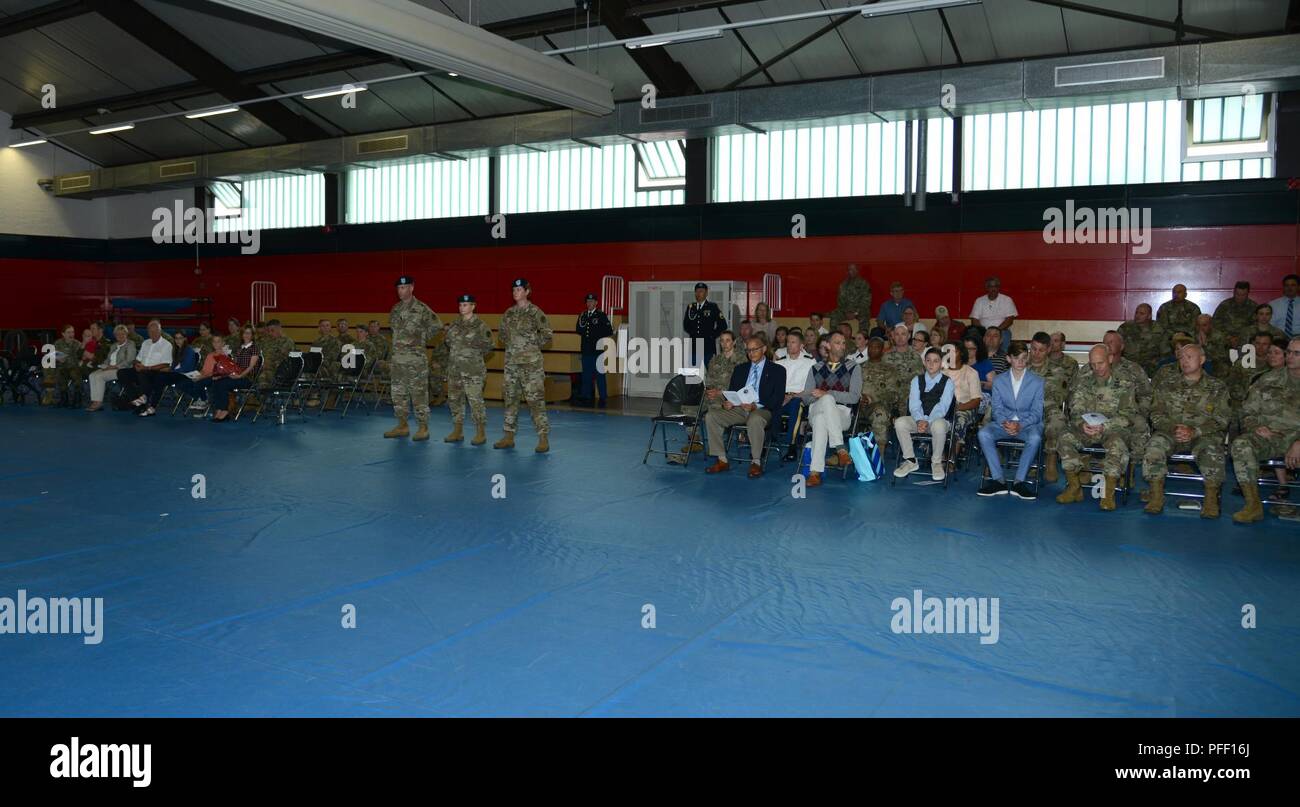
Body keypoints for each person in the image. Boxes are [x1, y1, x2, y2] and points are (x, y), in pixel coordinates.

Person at [1142, 343, 1230, 518]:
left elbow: (1222, 419)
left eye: (1189, 357)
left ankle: (1211, 499)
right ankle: (1156, 496)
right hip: (1170, 432)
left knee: (1212, 451)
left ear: (1202, 360)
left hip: (1203, 434)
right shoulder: (1167, 385)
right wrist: (1173, 428)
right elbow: (1156, 414)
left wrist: (1195, 431)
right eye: (1181, 357)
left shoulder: (1217, 387)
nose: (1184, 361)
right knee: (1153, 449)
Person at [1056, 345, 1139, 511]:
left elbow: (1129, 415)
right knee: (1064, 439)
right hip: (1087, 428)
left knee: (1117, 445)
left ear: (1109, 359)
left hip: (1112, 430)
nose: (1096, 368)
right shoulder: (1084, 381)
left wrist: (1105, 426)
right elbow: (1076, 409)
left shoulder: (1124, 382)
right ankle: (1074, 486)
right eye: (1092, 364)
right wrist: (1081, 424)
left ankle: (1108, 493)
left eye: (1100, 363)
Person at [1230, 337, 1300, 523]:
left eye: (1296, 353)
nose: (1290, 357)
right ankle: (1253, 505)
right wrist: (1256, 427)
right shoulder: (1269, 378)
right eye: (1289, 352)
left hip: (1297, 439)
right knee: (1241, 445)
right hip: (1271, 437)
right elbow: (1247, 411)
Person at [702, 337, 786, 478]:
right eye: (748, 350)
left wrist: (755, 406)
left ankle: (756, 462)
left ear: (764, 349)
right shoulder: (740, 369)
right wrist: (728, 402)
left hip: (763, 409)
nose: (751, 353)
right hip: (740, 408)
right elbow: (733, 392)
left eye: (755, 349)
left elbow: (777, 399)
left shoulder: (777, 370)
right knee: (711, 416)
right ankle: (722, 459)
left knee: (755, 419)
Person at [977, 341, 1044, 498]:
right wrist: (1005, 423)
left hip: (1027, 425)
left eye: (1023, 358)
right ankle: (998, 480)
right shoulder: (999, 381)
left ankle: (1019, 482)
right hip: (1004, 424)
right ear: (1008, 359)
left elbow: (1037, 412)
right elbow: (997, 409)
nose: (1020, 362)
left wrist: (1020, 425)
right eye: (1016, 358)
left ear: (1027, 358)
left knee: (1035, 437)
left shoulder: (1037, 382)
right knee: (983, 434)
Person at [496, 278, 553, 452]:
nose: (516, 292)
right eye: (514, 289)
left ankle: (543, 438)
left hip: (531, 365)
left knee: (535, 401)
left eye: (519, 289)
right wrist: (515, 346)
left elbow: (547, 334)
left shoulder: (536, 312)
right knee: (510, 399)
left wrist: (530, 344)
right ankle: (508, 436)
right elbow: (502, 336)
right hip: (512, 364)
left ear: (527, 292)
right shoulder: (508, 313)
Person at [800, 332, 862, 487]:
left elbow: (854, 398)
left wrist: (827, 393)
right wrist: (822, 396)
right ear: (827, 345)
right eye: (837, 342)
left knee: (822, 419)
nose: (842, 346)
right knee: (826, 401)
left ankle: (815, 473)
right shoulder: (815, 368)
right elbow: (806, 399)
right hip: (817, 407)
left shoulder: (854, 367)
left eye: (843, 343)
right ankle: (840, 448)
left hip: (842, 414)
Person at [384, 275, 441, 442]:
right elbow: (394, 331)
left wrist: (421, 338)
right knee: (398, 394)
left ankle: (423, 428)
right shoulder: (395, 309)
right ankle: (402, 425)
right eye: (398, 288)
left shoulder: (422, 308)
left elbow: (437, 325)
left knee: (418, 394)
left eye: (404, 288)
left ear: (411, 288)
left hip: (416, 360)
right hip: (398, 360)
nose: (401, 291)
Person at [894, 347, 955, 482]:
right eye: (928, 360)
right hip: (919, 420)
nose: (932, 364)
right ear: (924, 362)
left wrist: (928, 421)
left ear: (941, 363)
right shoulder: (916, 380)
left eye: (936, 361)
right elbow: (914, 404)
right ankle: (910, 461)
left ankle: (937, 462)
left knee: (938, 425)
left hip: (938, 420)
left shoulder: (948, 382)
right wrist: (919, 420)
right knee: (899, 422)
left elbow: (943, 407)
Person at [443, 294, 495, 446]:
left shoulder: (480, 325)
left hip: (473, 371)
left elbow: (489, 345)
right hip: (454, 369)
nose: (462, 307)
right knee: (455, 400)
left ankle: (480, 433)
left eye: (465, 305)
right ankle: (458, 431)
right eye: (460, 305)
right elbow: (448, 341)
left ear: (473, 306)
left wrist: (472, 357)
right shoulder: (454, 325)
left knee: (475, 401)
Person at [1027, 332, 1072, 483]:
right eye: (1033, 349)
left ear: (1048, 350)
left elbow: (1059, 397)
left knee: (1057, 421)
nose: (1036, 353)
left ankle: (1050, 459)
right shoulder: (1021, 366)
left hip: (1047, 407)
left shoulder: (1057, 370)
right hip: (1023, 407)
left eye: (1041, 350)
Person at [205, 325, 261, 423]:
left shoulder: (254, 348)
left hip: (247, 378)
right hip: (235, 376)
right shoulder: (239, 348)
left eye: (249, 333)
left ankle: (225, 410)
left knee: (223, 384)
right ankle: (219, 409)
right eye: (244, 333)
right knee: (217, 381)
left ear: (252, 335)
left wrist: (240, 375)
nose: (246, 335)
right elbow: (233, 364)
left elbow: (251, 367)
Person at [118, 320, 174, 416]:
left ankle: (142, 403)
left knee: (142, 374)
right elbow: (138, 359)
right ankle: (137, 399)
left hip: (155, 372)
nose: (152, 334)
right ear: (147, 331)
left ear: (160, 331)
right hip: (142, 370)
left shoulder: (166, 345)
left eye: (155, 331)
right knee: (121, 373)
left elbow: (166, 364)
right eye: (150, 331)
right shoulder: (145, 343)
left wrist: (147, 368)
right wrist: (136, 364)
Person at [775, 331, 815, 461]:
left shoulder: (810, 362)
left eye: (793, 342)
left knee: (796, 406)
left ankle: (792, 446)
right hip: (781, 397)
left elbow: (811, 388)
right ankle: (765, 444)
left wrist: (793, 396)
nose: (789, 345)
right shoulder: (780, 362)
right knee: (768, 407)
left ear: (801, 345)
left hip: (800, 398)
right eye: (788, 342)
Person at [856, 336, 899, 457]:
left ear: (882, 350)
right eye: (871, 347)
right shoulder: (858, 367)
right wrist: (859, 398)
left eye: (877, 347)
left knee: (879, 413)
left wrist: (871, 398)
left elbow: (894, 395)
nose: (873, 350)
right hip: (857, 405)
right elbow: (851, 388)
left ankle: (878, 456)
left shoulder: (890, 370)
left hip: (878, 406)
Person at [942, 339, 982, 460]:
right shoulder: (941, 372)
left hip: (965, 407)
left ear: (962, 354)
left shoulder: (971, 373)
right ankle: (935, 455)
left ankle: (951, 458)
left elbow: (976, 400)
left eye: (954, 351)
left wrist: (956, 407)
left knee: (959, 419)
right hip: (943, 407)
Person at [575, 292, 613, 408]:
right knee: (586, 375)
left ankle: (603, 397)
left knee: (599, 375)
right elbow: (578, 329)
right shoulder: (583, 315)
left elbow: (609, 331)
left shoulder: (601, 315)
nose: (589, 303)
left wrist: (597, 336)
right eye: (587, 301)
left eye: (591, 301)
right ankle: (586, 396)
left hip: (597, 350)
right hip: (586, 350)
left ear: (596, 303)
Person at [85, 325, 136, 412]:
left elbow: (129, 360)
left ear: (126, 335)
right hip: (109, 368)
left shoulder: (130, 344)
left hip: (122, 370)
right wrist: (103, 365)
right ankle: (94, 400)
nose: (120, 336)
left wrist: (115, 366)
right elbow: (108, 359)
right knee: (92, 375)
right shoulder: (113, 345)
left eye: (122, 334)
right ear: (115, 335)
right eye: (118, 334)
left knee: (99, 377)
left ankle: (98, 402)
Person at [970, 276, 1017, 353]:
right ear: (987, 288)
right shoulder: (979, 301)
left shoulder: (1007, 300)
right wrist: (984, 332)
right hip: (984, 331)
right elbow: (974, 320)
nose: (993, 289)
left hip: (1001, 330)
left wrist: (996, 331)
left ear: (999, 288)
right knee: (975, 336)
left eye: (996, 286)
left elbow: (1010, 320)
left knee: (1005, 335)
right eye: (990, 286)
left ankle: (1003, 359)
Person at [683, 282, 726, 366]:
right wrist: (694, 334)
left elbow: (723, 325)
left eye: (701, 291)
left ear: (706, 293)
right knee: (693, 375)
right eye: (697, 291)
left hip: (708, 345)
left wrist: (712, 335)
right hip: (695, 346)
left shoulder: (712, 307)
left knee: (711, 373)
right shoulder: (691, 307)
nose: (698, 293)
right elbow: (686, 325)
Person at [1118, 303, 1166, 376]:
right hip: (1129, 367)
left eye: (1142, 313)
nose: (1137, 316)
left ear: (1149, 316)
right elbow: (1117, 346)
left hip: (1151, 368)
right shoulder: (1125, 327)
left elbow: (1165, 352)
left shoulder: (1158, 329)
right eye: (1136, 312)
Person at [41, 324, 83, 406]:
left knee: (75, 373)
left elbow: (82, 356)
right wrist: (56, 358)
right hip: (61, 367)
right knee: (49, 367)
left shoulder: (77, 344)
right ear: (63, 334)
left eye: (72, 332)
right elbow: (52, 355)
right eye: (68, 332)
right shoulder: (58, 343)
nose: (71, 334)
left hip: (73, 367)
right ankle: (60, 397)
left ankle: (77, 398)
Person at [1214, 281, 1257, 348]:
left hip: (1246, 339)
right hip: (1226, 338)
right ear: (1234, 292)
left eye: (1243, 295)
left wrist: (1240, 338)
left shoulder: (1253, 307)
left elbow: (1255, 325)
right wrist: (1229, 337)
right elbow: (1215, 323)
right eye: (1237, 294)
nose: (1240, 297)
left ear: (1248, 293)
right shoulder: (1225, 305)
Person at [829, 263, 872, 331]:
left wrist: (855, 313)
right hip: (846, 311)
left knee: (864, 317)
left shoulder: (864, 284)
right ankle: (834, 336)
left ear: (857, 271)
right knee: (834, 316)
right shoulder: (843, 285)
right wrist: (846, 312)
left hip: (860, 311)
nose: (851, 271)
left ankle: (863, 336)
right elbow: (840, 302)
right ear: (847, 271)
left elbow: (866, 302)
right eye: (849, 269)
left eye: (853, 269)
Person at [257, 319, 296, 391]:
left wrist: (267, 364)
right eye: (268, 331)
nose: (270, 333)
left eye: (272, 330)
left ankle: (271, 398)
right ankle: (267, 398)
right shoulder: (267, 341)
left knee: (263, 377)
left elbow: (286, 360)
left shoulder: (287, 341)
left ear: (279, 329)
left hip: (279, 371)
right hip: (265, 369)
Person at [1269, 274, 1300, 339]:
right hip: (1279, 338)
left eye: (1293, 285)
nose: (1289, 288)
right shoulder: (1273, 305)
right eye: (1287, 285)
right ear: (1283, 287)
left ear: (1298, 287)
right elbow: (1269, 325)